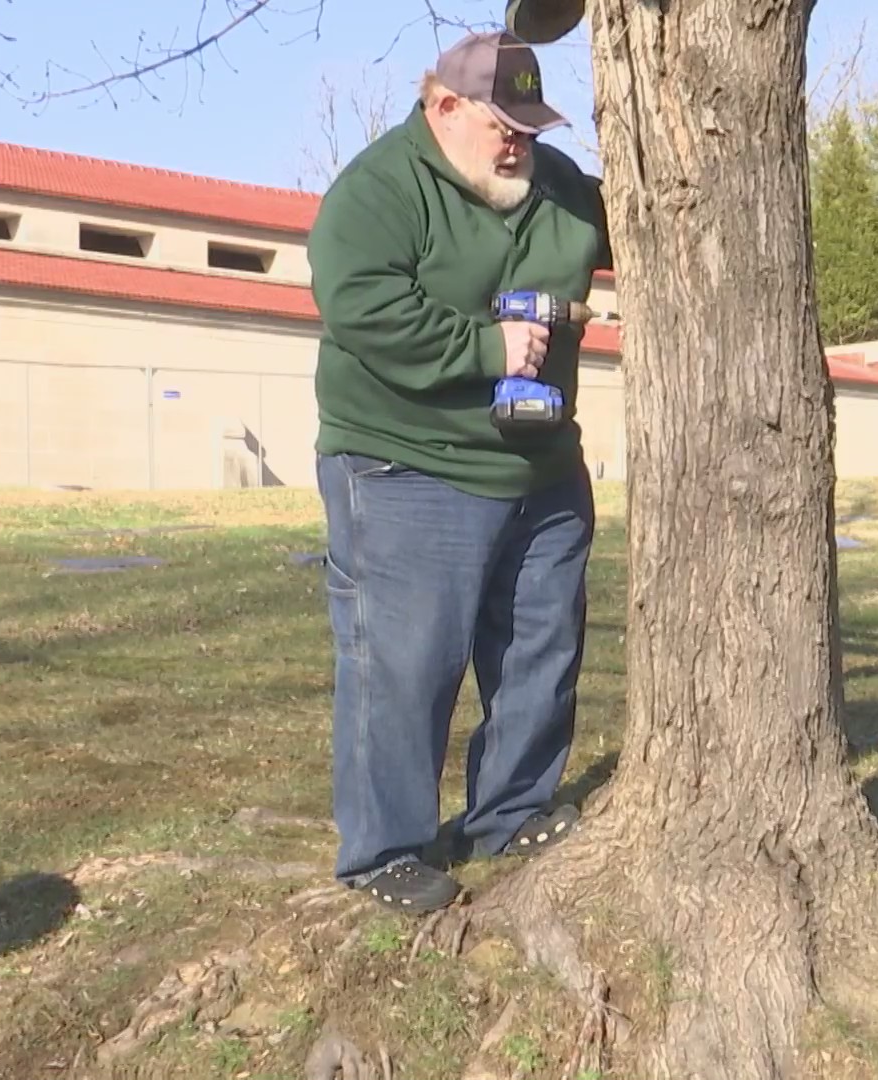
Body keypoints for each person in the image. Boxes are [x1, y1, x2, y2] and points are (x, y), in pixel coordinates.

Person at [305, 29, 612, 913]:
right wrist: (487, 348)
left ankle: (511, 812)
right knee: (405, 664)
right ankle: (385, 850)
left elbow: (644, 224)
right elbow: (361, 306)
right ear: (442, 106)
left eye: (530, 125)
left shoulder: (553, 185)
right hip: (408, 463)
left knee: (538, 652)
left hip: (542, 466)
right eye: (500, 125)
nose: (517, 142)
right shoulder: (378, 190)